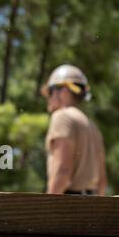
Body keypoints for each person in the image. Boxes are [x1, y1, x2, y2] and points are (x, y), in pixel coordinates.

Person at [41, 63, 107, 195]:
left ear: (64, 92)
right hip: (89, 205)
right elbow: (102, 182)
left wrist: (46, 210)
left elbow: (63, 171)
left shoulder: (62, 117)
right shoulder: (92, 127)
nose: (48, 98)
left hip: (67, 207)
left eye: (50, 91)